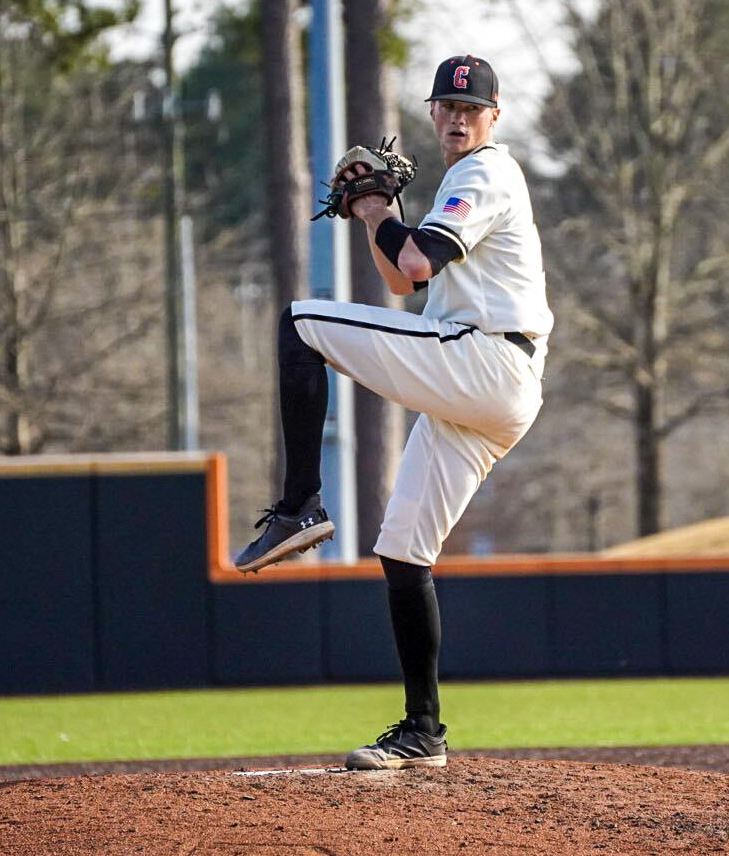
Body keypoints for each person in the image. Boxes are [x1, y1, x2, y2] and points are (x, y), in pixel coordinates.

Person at [233, 55, 551, 770]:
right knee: (404, 551)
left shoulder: (485, 170)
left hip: (483, 361)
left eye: (473, 107)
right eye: (448, 105)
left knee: (300, 324)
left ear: (494, 117)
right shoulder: (463, 182)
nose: (459, 116)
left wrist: (374, 208)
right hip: (486, 386)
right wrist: (380, 215)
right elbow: (401, 275)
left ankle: (299, 505)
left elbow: (409, 266)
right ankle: (423, 731)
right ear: (433, 113)